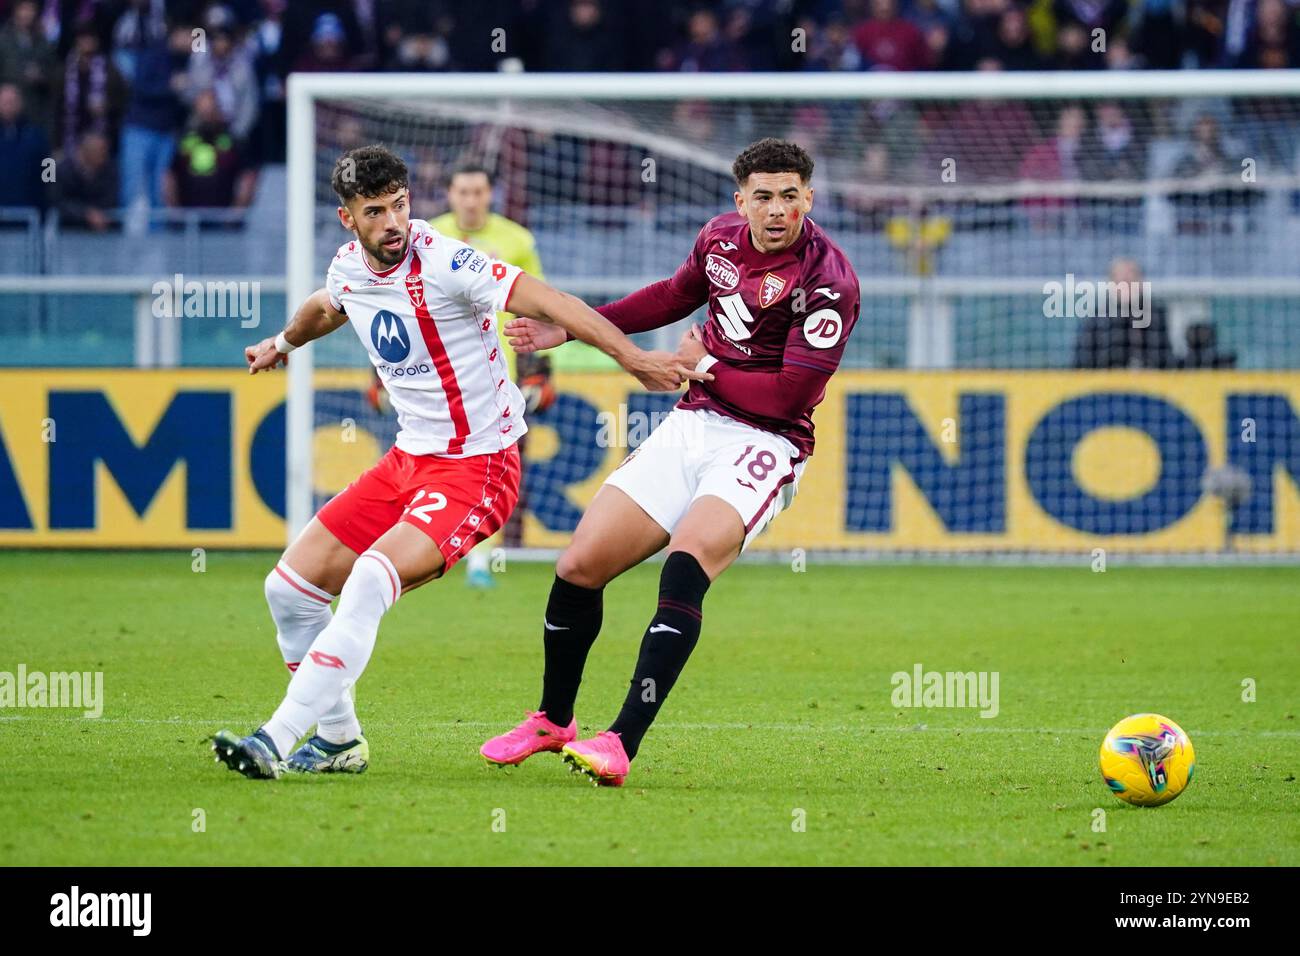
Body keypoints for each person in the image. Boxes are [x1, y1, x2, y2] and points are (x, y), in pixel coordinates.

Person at [211, 144, 708, 779]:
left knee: (368, 579)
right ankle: (338, 740)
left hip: (479, 466)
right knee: (288, 590)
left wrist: (634, 358)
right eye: (375, 211)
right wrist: (280, 343)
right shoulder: (348, 269)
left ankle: (275, 738)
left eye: (400, 205)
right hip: (407, 461)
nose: (393, 222)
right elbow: (324, 306)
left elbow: (555, 304)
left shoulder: (448, 261)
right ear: (348, 219)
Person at [480, 138, 861, 786]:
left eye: (790, 196)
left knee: (685, 564)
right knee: (578, 566)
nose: (777, 210)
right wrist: (571, 328)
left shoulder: (829, 280)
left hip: (764, 442)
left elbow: (789, 394)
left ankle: (620, 742)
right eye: (763, 196)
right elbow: (669, 296)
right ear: (740, 200)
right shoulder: (719, 239)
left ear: (809, 199)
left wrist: (700, 365)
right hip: (693, 423)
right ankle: (553, 719)